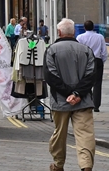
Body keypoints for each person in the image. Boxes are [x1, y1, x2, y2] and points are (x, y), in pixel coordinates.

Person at [45, 18, 96, 171]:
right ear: (73, 32)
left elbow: (51, 77)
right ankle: (86, 166)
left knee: (60, 134)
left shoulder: (51, 50)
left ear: (59, 32)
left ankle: (58, 164)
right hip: (83, 100)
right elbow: (91, 76)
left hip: (60, 101)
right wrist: (77, 94)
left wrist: (68, 94)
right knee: (85, 134)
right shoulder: (86, 50)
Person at [76, 20, 107, 112]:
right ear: (93, 27)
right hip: (97, 60)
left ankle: (86, 103)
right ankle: (96, 105)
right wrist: (101, 61)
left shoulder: (80, 37)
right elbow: (104, 52)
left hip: (85, 60)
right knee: (97, 83)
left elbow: (78, 51)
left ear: (84, 28)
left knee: (85, 82)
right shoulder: (100, 37)